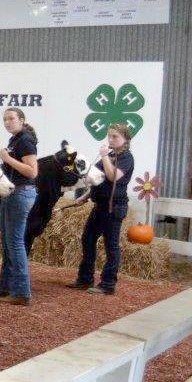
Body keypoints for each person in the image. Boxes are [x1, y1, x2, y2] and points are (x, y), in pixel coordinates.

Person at [68, 124, 135, 296]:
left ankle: (108, 284)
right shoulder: (110, 155)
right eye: (110, 136)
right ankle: (85, 278)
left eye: (115, 137)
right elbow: (97, 178)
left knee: (111, 245)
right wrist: (85, 196)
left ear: (125, 139)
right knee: (87, 239)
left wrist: (105, 156)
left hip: (114, 207)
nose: (111, 140)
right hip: (100, 205)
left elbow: (113, 176)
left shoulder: (126, 157)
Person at [0, 107, 39, 305]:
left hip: (21, 192)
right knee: (7, 242)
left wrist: (7, 159)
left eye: (11, 118)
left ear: (22, 120)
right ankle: (5, 288)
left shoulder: (25, 140)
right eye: (5, 120)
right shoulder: (16, 139)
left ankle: (22, 293)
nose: (8, 122)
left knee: (15, 243)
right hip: (11, 192)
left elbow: (32, 172)